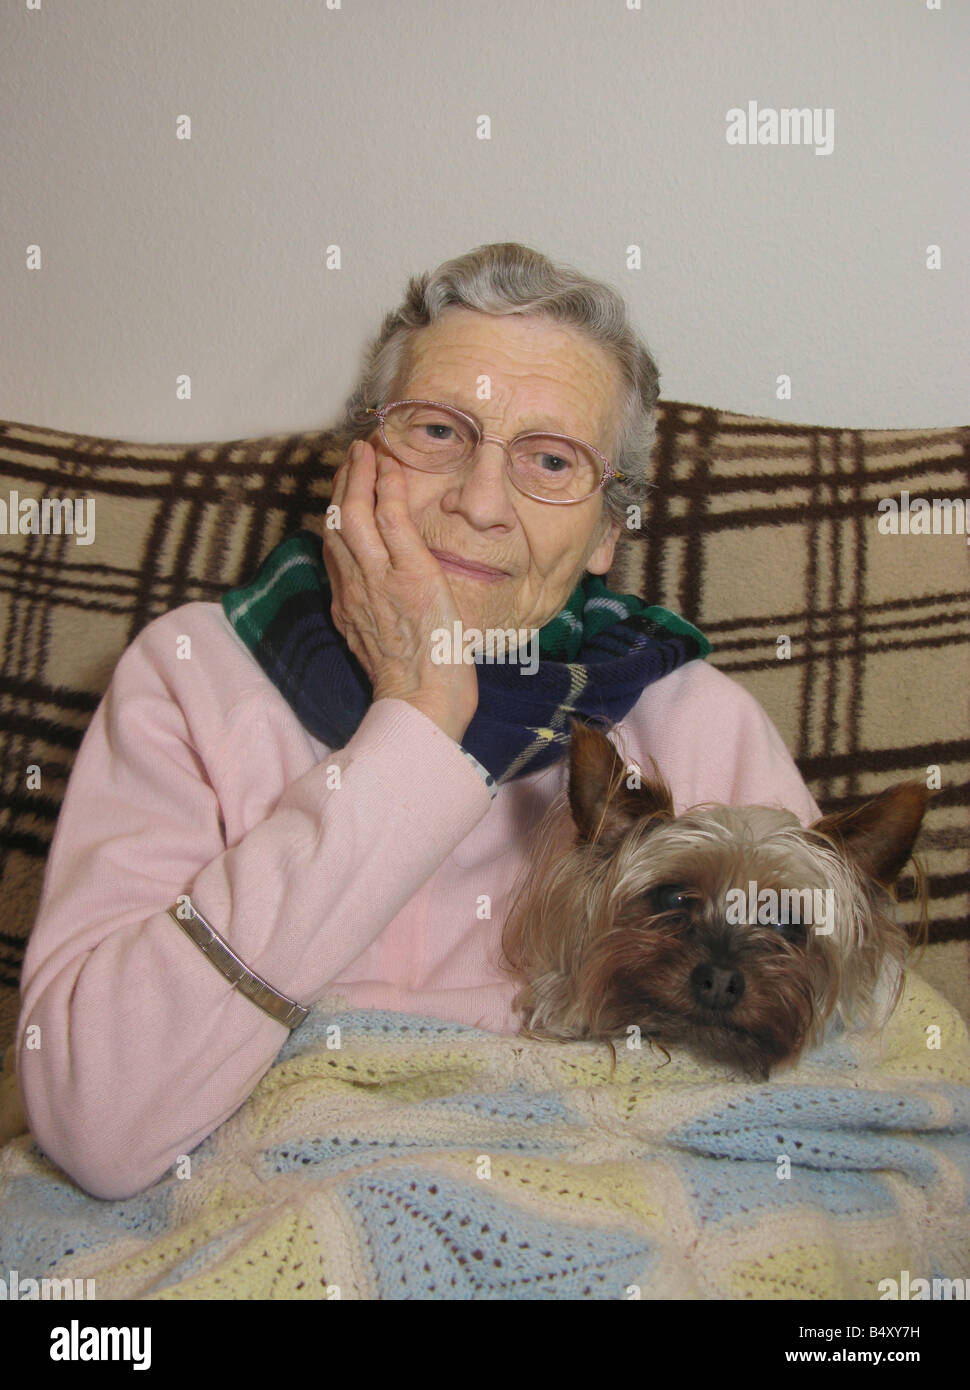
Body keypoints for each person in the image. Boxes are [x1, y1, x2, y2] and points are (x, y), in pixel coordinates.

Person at [15, 243, 820, 1201]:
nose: (479, 502)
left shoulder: (693, 719)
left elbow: (811, 1075)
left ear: (609, 530)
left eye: (551, 460)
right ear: (358, 463)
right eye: (438, 431)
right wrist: (420, 721)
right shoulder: (190, 676)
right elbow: (96, 1123)